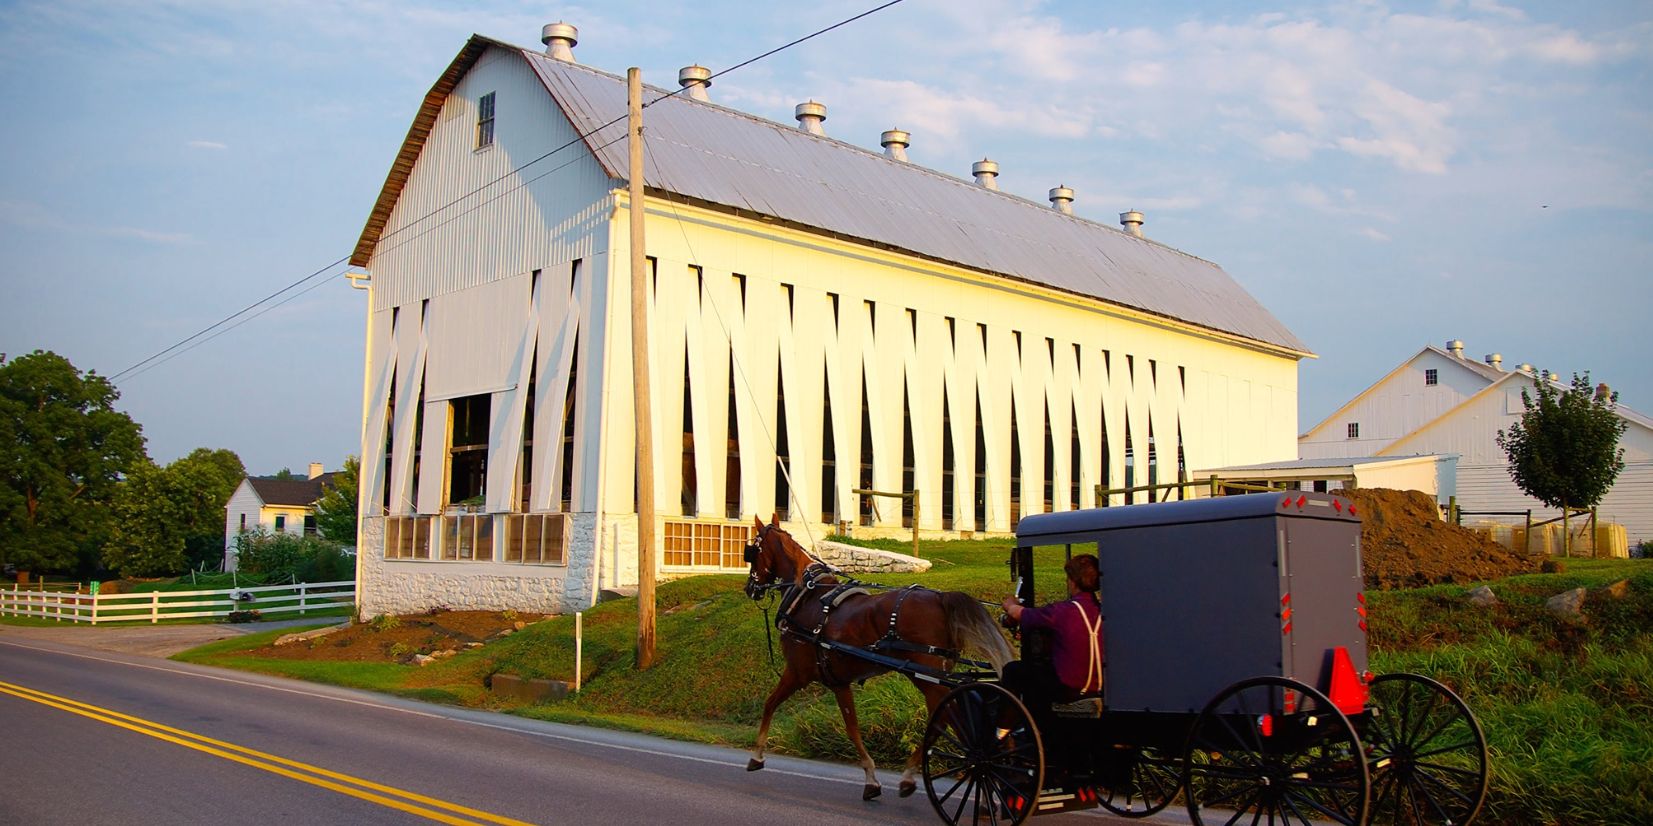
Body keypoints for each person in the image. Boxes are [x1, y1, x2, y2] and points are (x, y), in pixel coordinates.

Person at [999, 554, 1105, 710]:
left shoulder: (1062, 611)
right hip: (1099, 685)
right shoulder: (1102, 610)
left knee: (1013, 670)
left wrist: (1010, 604)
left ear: (1073, 581)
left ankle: (1007, 724)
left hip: (1067, 687)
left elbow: (1019, 613)